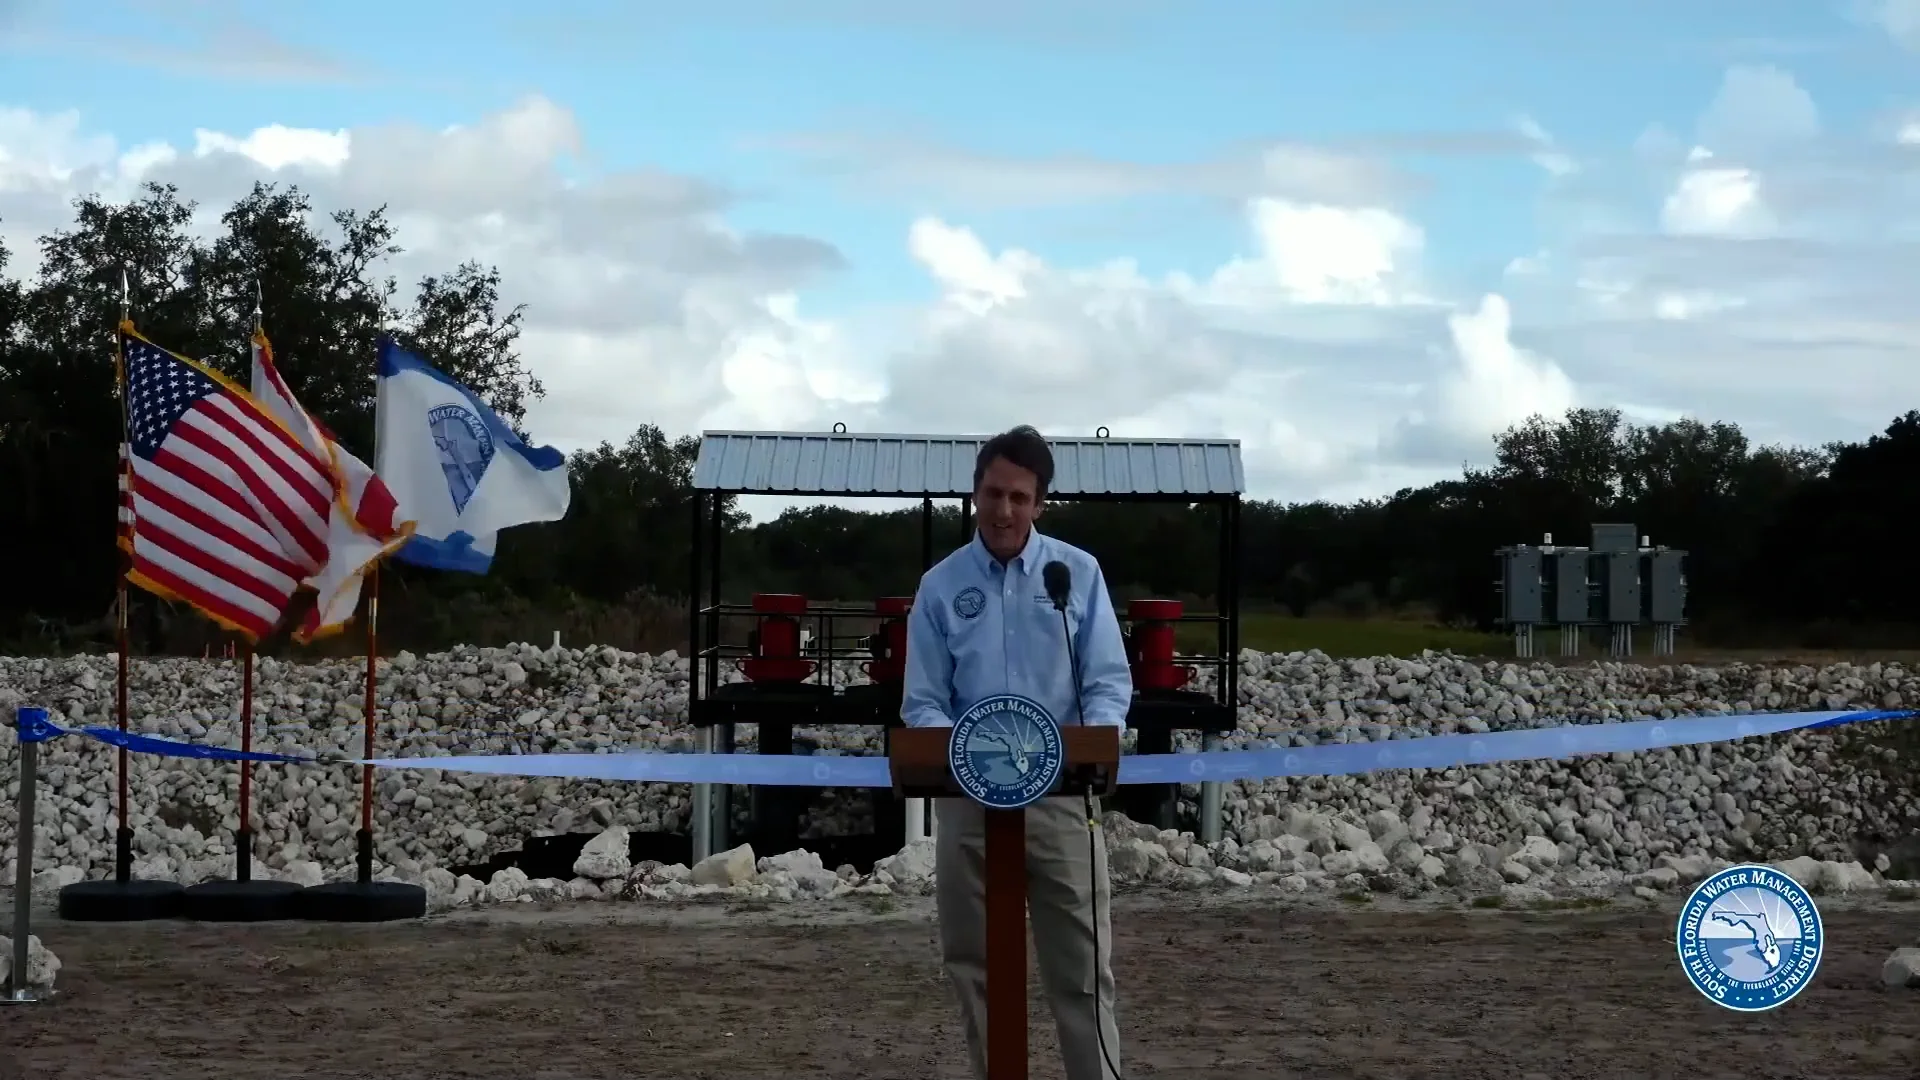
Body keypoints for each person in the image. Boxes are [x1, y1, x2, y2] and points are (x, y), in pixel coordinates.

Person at [900, 424, 1131, 1080]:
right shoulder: (941, 586)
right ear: (974, 494)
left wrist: (1098, 740)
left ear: (1040, 504)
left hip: (1062, 802)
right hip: (969, 803)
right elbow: (922, 701)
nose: (1004, 510)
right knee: (974, 968)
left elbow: (1107, 682)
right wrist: (960, 751)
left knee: (1083, 973)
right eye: (993, 494)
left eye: (1019, 498)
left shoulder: (1076, 574)